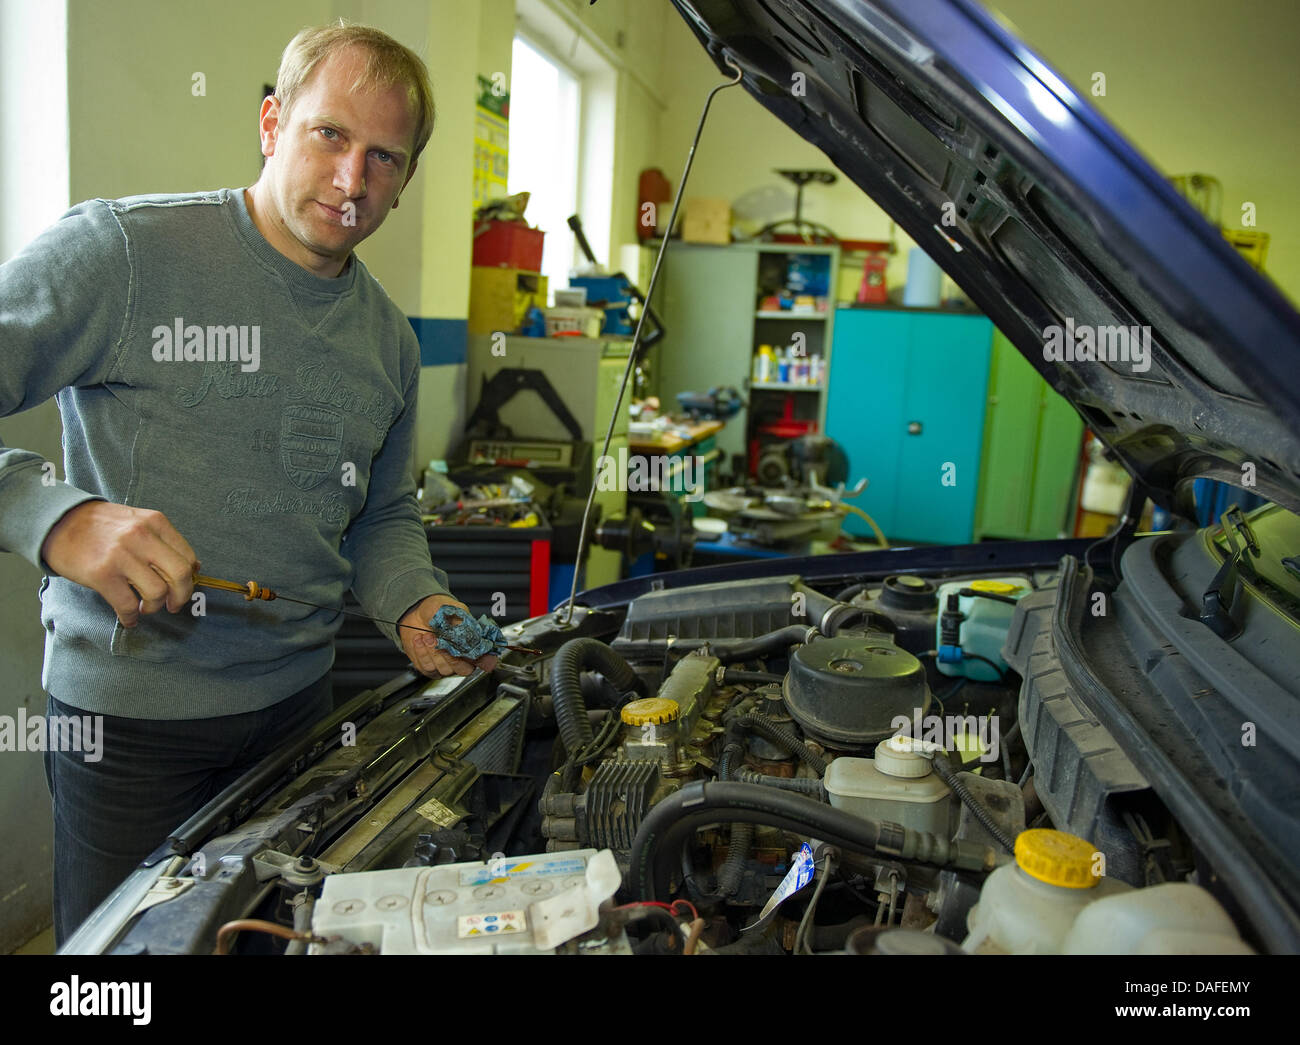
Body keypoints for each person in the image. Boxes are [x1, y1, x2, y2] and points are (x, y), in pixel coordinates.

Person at [0, 21, 494, 945]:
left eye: (383, 157)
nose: (353, 182)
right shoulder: (125, 253)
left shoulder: (389, 342)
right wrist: (52, 517)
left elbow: (382, 516)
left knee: (265, 940)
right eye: (329, 136)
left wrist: (417, 603)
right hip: (128, 726)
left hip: (300, 720)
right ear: (272, 124)